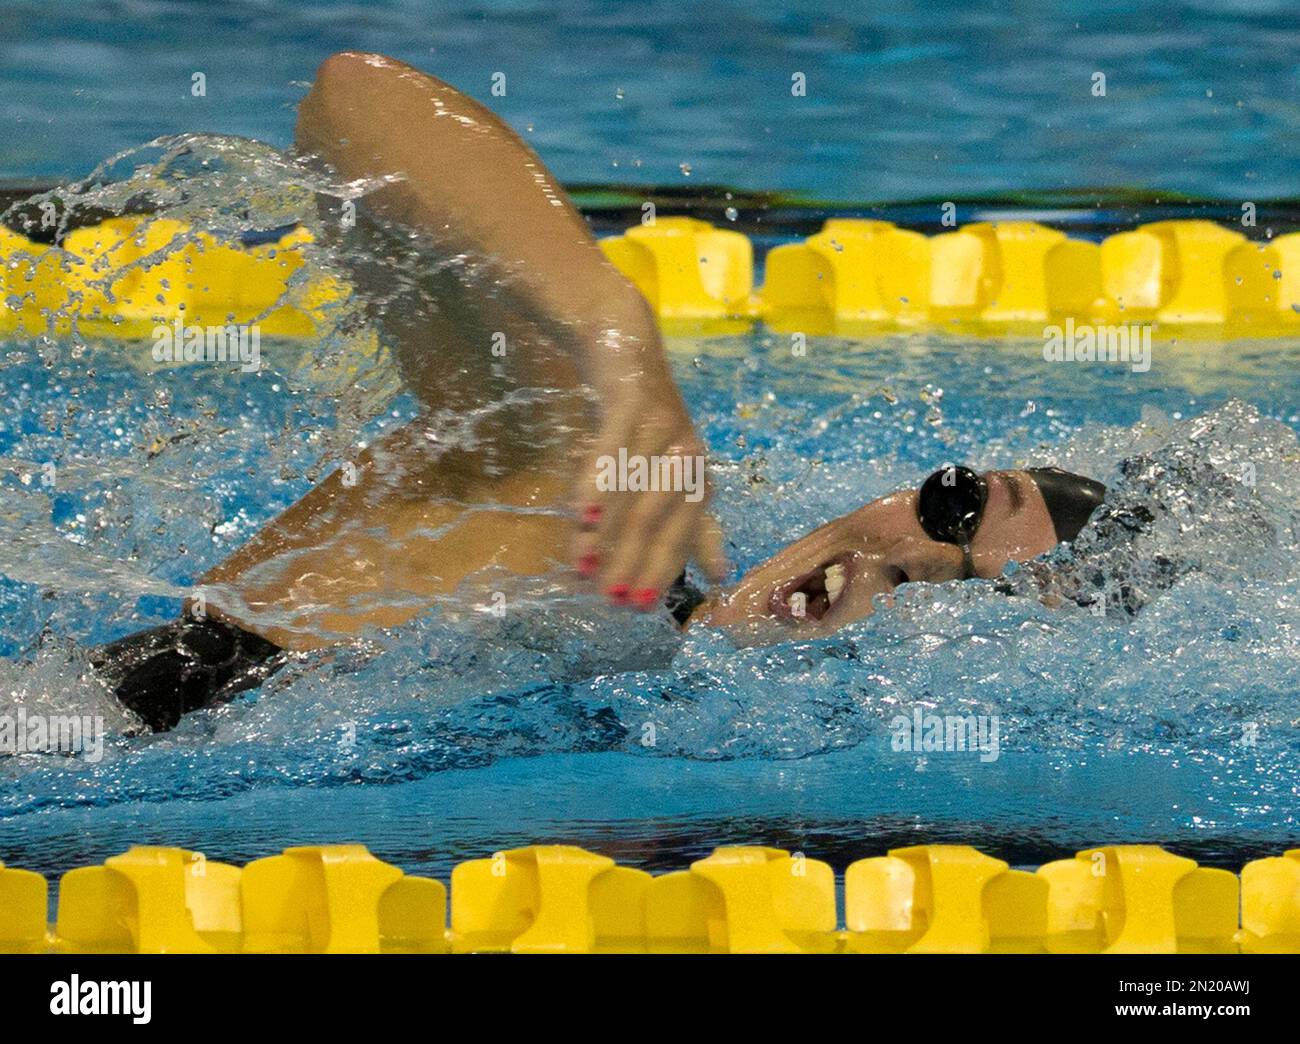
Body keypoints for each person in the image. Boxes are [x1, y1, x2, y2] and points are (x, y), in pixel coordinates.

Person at [89, 52, 1107, 731]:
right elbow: (353, 101)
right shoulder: (578, 502)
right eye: (956, 506)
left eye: (978, 592)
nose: (918, 556)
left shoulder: (630, 681)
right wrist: (620, 341)